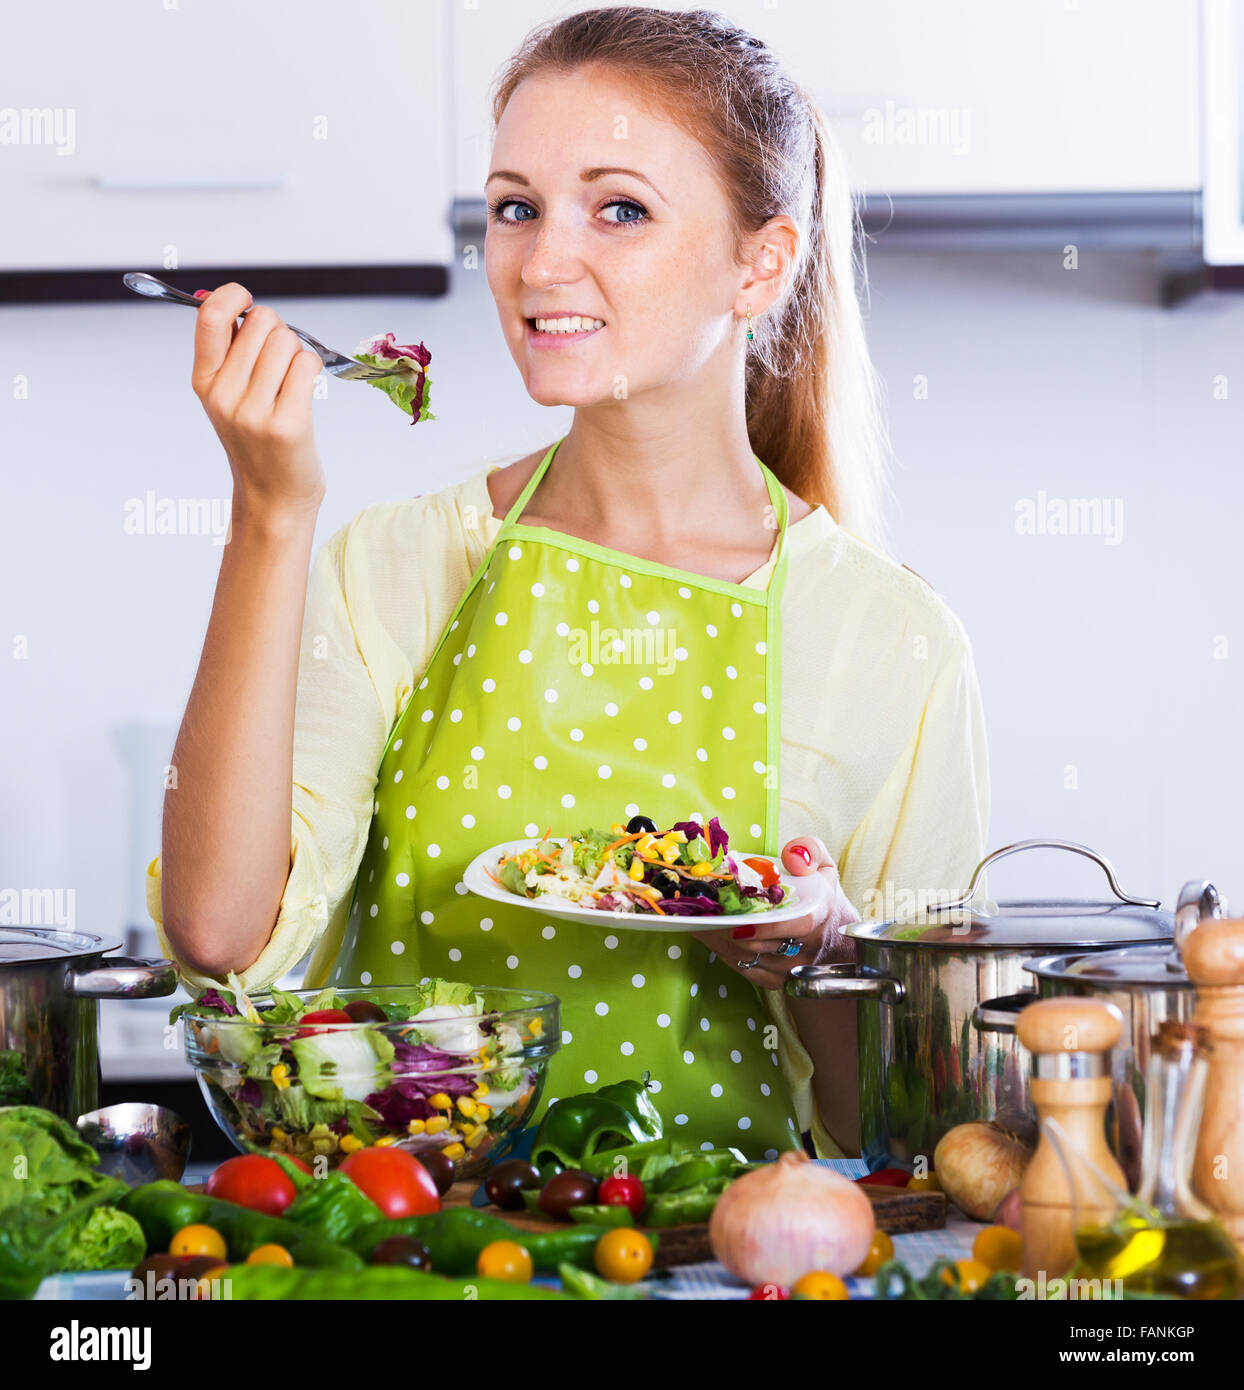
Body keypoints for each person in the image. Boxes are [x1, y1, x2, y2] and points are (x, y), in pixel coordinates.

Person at [150, 7, 989, 1159]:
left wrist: (823, 956)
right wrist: (268, 510)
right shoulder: (392, 564)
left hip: (716, 1256)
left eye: (620, 209)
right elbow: (216, 932)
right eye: (514, 207)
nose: (541, 262)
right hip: (418, 1249)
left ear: (761, 262)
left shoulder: (889, 641)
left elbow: (910, 1138)